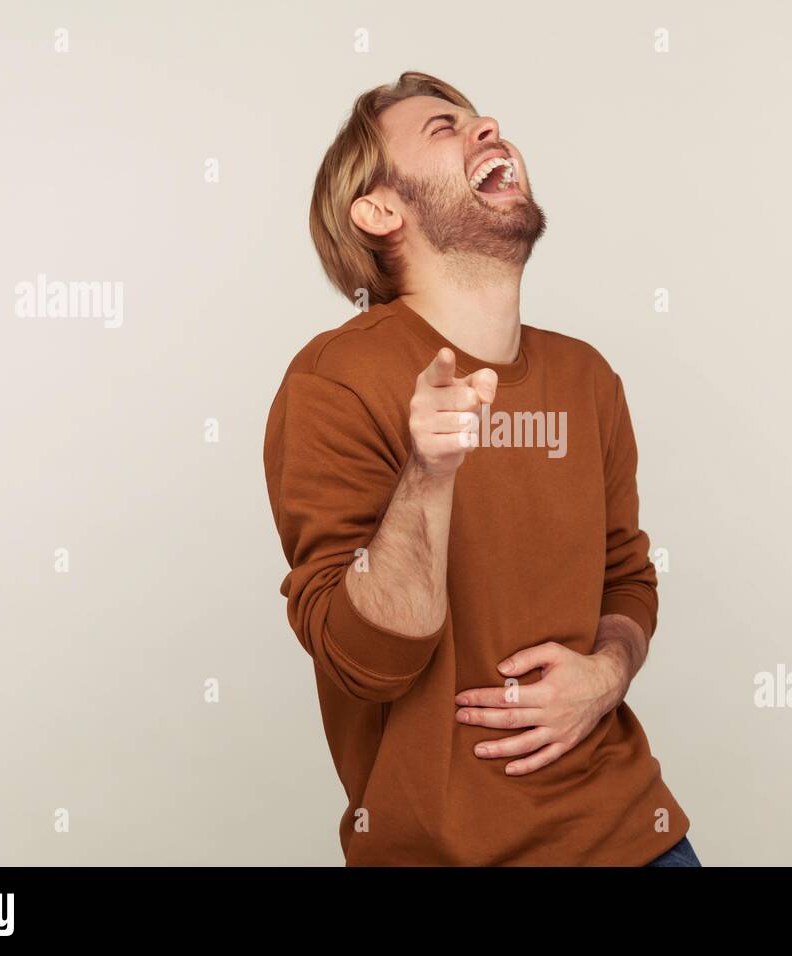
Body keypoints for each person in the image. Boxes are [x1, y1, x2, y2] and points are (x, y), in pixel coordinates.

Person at [263, 72, 695, 866]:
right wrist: (429, 474)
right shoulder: (333, 382)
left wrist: (608, 672)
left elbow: (627, 575)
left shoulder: (587, 377)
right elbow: (364, 662)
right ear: (381, 210)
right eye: (442, 128)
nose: (487, 126)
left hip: (638, 839)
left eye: (479, 118)